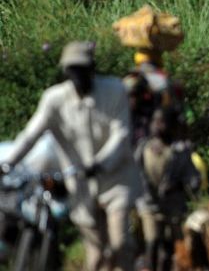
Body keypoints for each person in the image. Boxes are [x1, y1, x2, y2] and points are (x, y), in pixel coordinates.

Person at [3, 42, 142, 271]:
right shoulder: (55, 99)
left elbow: (121, 133)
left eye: (83, 69)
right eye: (72, 70)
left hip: (115, 176)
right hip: (79, 182)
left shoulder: (114, 90)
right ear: (66, 72)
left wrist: (100, 163)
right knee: (96, 249)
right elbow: (31, 135)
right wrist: (7, 164)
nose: (78, 75)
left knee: (120, 243)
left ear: (92, 68)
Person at [136, 108, 201, 271]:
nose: (157, 126)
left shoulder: (181, 151)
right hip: (149, 204)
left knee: (169, 246)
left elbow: (193, 177)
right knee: (152, 240)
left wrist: (183, 185)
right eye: (155, 121)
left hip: (173, 206)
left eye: (162, 122)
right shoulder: (143, 148)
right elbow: (135, 173)